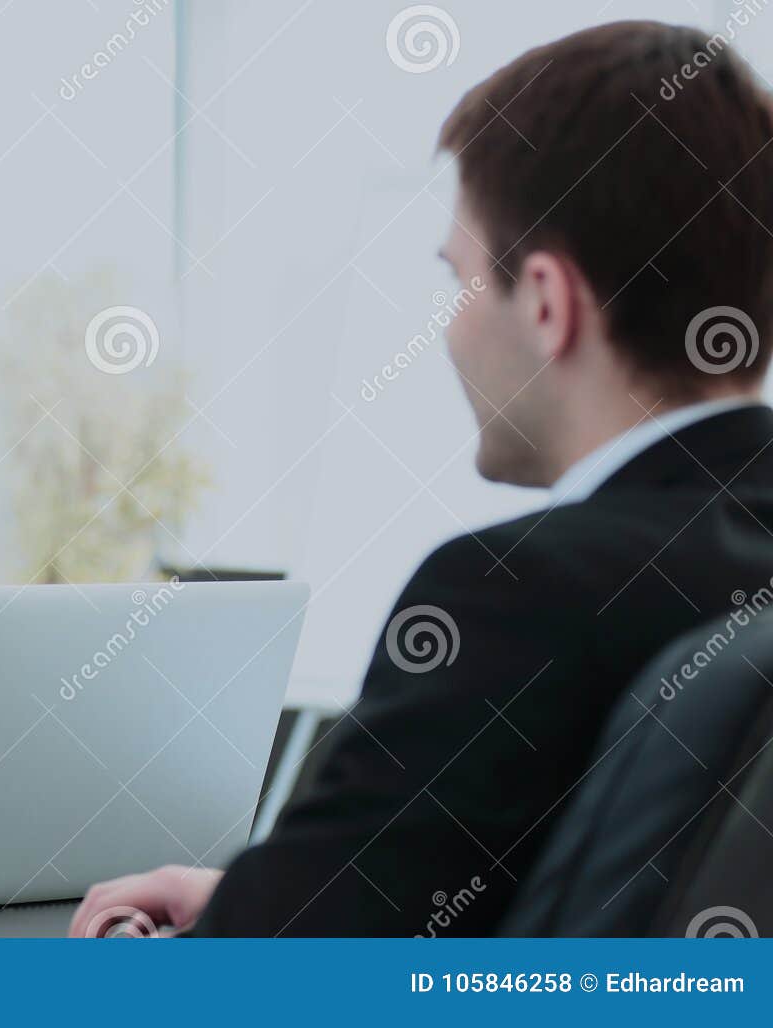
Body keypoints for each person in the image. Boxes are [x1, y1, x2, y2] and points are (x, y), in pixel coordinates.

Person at [72, 20, 773, 936]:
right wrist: (259, 901)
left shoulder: (515, 594)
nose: (448, 329)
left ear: (549, 305)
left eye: (460, 279)